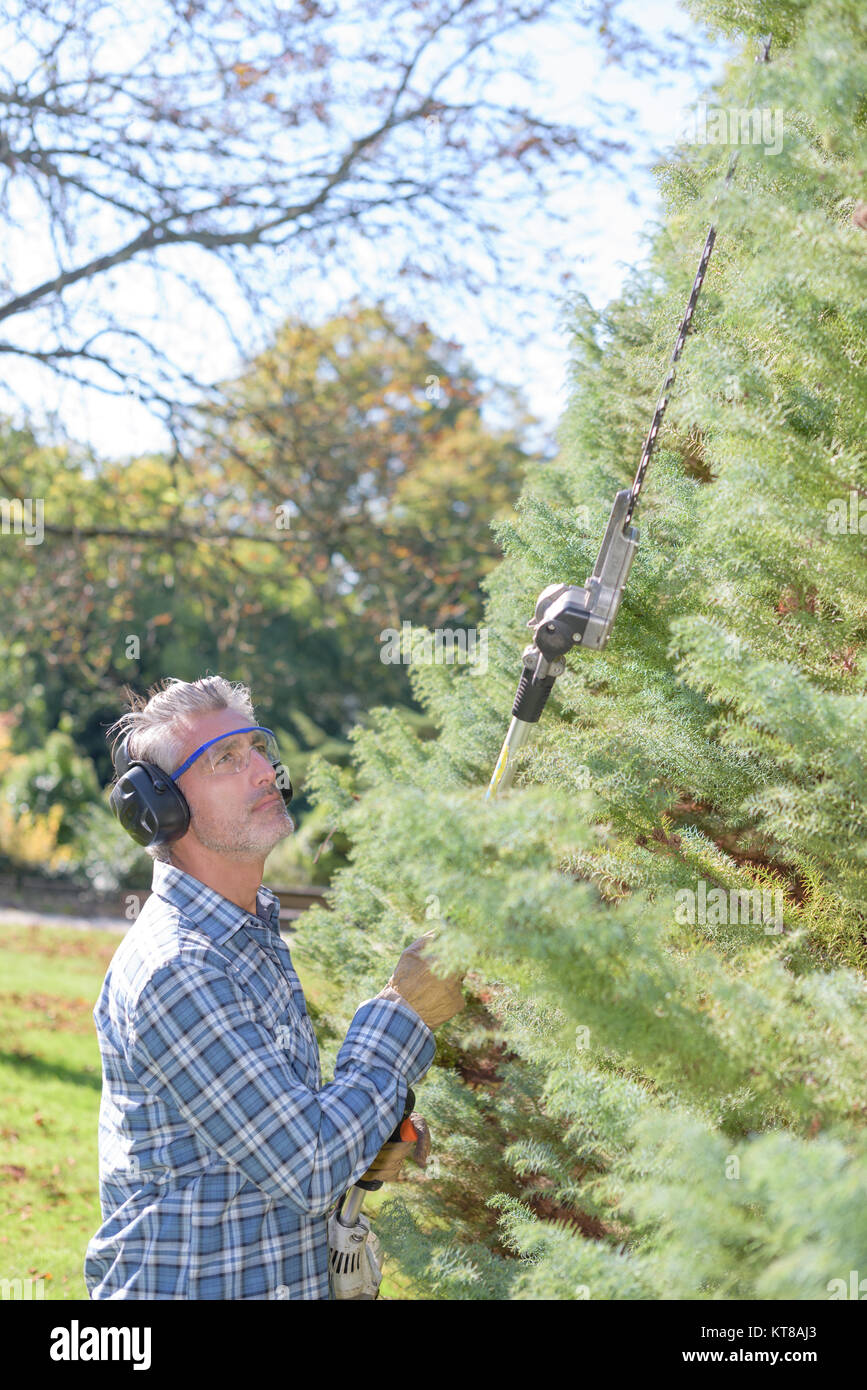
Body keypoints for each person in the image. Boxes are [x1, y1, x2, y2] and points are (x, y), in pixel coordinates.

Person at [84, 676, 465, 1299]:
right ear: (160, 808)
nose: (265, 771)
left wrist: (359, 1147)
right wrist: (403, 1013)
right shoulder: (178, 968)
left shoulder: (245, 931)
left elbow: (272, 1141)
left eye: (259, 747)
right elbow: (308, 1166)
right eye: (225, 759)